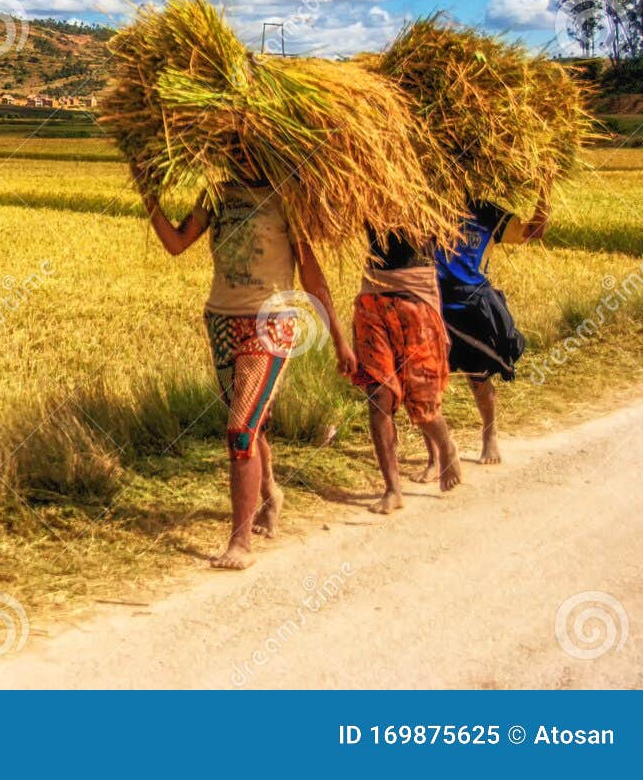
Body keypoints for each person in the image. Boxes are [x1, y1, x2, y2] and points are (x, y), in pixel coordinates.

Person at [144, 172, 355, 570]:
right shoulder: (214, 194)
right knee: (251, 423)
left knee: (240, 430)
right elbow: (176, 243)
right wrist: (148, 196)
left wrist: (339, 339)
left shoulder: (288, 196)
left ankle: (239, 543)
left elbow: (310, 274)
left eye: (245, 143)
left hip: (270, 323)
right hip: (221, 321)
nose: (239, 152)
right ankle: (271, 491)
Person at [425, 195, 548, 472]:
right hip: (432, 304)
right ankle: (435, 456)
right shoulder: (427, 204)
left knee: (478, 379)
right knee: (427, 381)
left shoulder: (488, 213)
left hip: (472, 308)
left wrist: (544, 188)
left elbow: (535, 231)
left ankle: (489, 433)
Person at [351, 227, 460, 513]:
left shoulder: (423, 196)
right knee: (378, 397)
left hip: (416, 298)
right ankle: (393, 489)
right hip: (373, 297)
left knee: (422, 399)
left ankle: (445, 447)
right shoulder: (371, 192)